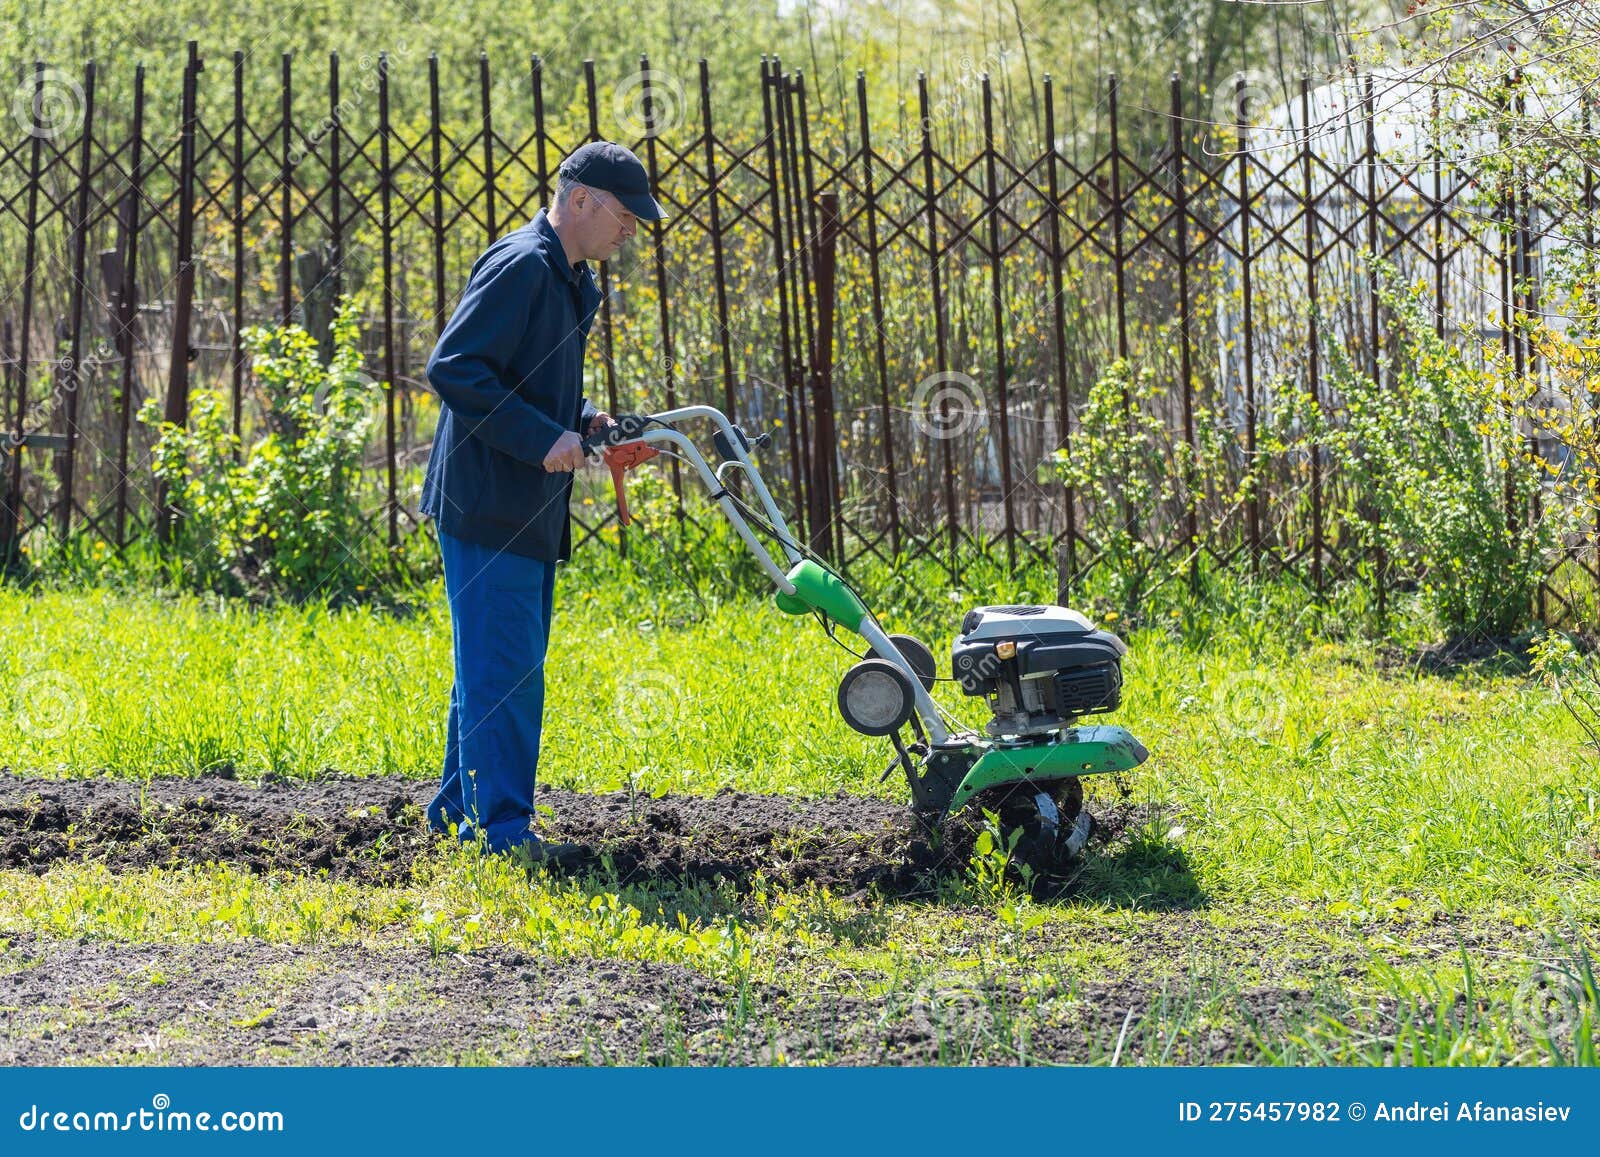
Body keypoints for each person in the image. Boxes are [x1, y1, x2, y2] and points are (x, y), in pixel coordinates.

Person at [419, 141, 667, 865]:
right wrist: (538, 439)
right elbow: (454, 368)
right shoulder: (524, 265)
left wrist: (583, 422)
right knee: (506, 672)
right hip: (490, 501)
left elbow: (524, 375)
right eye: (625, 215)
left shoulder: (566, 276)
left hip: (519, 502)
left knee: (492, 668)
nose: (630, 230)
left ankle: (459, 815)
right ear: (581, 199)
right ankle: (502, 835)